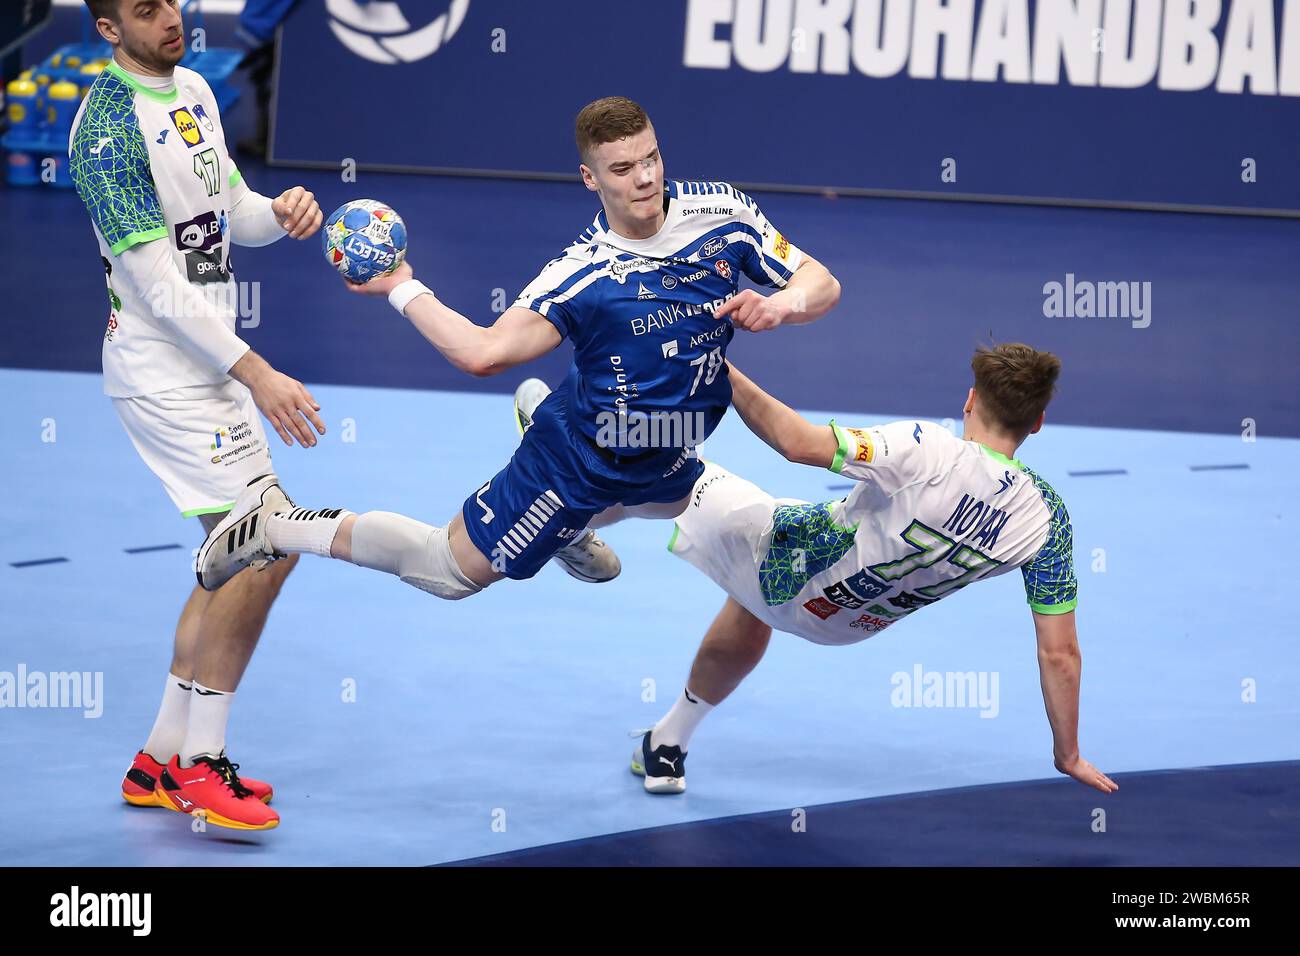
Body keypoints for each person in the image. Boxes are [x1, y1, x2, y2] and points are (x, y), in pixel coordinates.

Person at [195, 97, 842, 617]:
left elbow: (820, 281)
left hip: (666, 445)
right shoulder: (581, 275)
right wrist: (401, 286)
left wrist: (785, 305)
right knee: (445, 572)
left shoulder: (721, 214)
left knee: (673, 501)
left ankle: (571, 517)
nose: (645, 178)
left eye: (651, 159)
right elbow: (483, 353)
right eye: (622, 169)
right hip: (576, 465)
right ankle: (279, 528)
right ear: (590, 178)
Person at [617, 344, 1118, 797]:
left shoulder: (928, 448)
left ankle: (564, 514)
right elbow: (1060, 653)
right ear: (1037, 423)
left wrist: (719, 369)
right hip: (846, 623)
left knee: (667, 463)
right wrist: (1067, 753)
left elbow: (796, 443)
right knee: (749, 605)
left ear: (970, 400)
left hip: (783, 564)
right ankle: (666, 747)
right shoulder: (1044, 516)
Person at [71, 0, 324, 831]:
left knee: (230, 557)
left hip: (209, 367)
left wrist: (276, 215)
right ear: (109, 28)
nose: (171, 17)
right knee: (265, 552)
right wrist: (258, 374)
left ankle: (157, 762)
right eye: (146, 10)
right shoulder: (105, 131)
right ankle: (200, 766)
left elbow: (226, 216)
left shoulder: (193, 91)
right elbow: (158, 283)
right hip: (165, 375)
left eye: (173, 0)